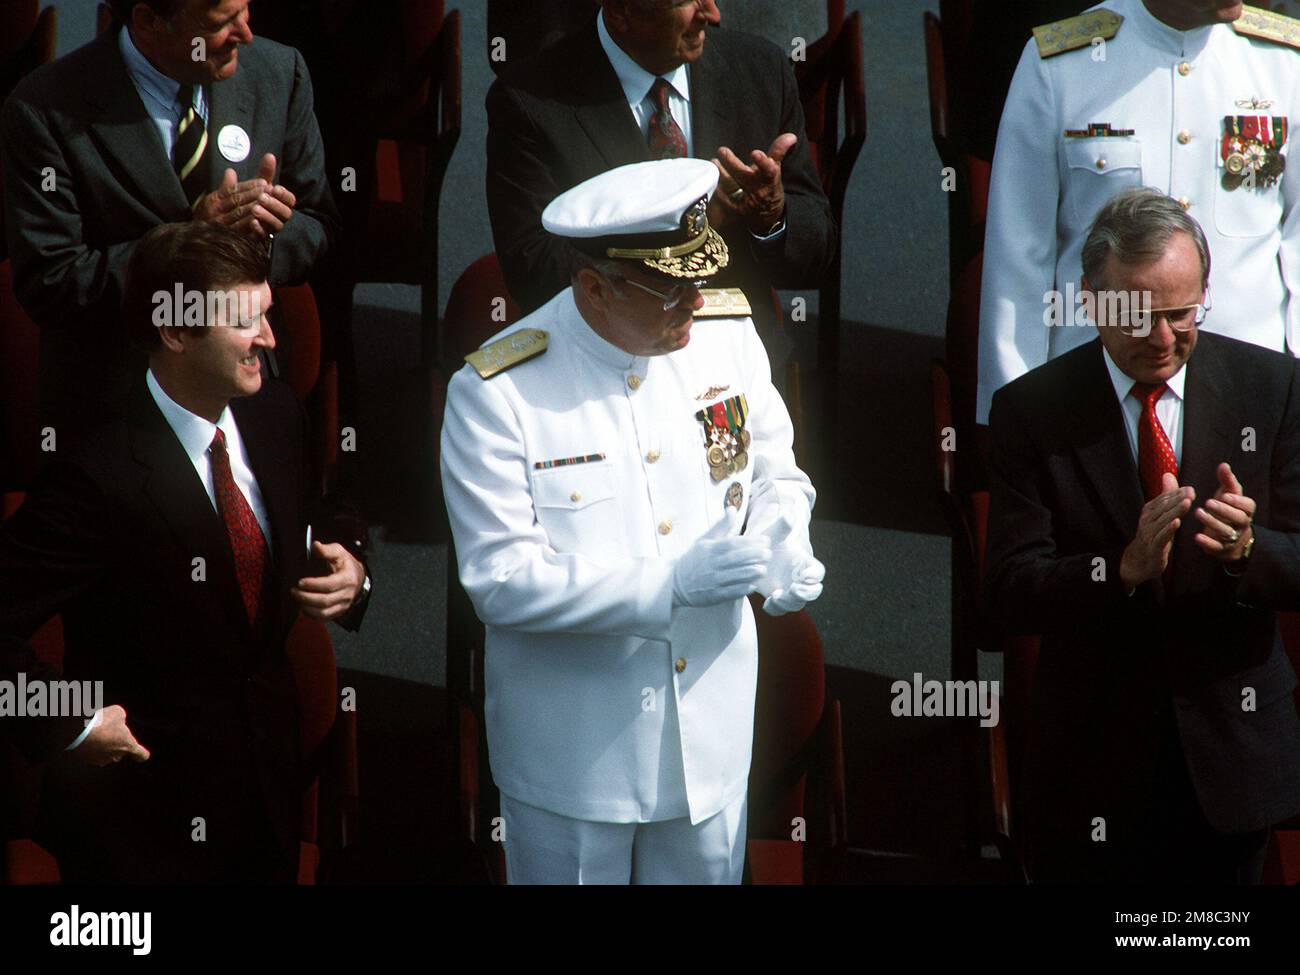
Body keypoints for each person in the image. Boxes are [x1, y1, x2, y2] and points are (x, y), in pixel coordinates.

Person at [441, 158, 823, 884]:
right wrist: (668, 585)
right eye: (668, 293)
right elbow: (501, 580)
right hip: (576, 762)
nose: (692, 307)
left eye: (699, 282)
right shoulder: (499, 393)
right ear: (593, 286)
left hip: (707, 739)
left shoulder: (726, 338)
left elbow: (772, 469)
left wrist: (786, 540)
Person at [0, 221, 371, 884]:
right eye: (246, 322)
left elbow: (310, 516)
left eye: (267, 313)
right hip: (144, 831)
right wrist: (71, 719)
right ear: (174, 331)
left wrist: (352, 566)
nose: (270, 338)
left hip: (265, 808)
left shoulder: (274, 413)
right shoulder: (97, 473)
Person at [984, 187, 1300, 883]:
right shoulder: (1032, 413)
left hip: (1231, 764)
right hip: (1092, 769)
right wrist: (1117, 569)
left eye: (1183, 313)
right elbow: (1005, 594)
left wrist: (1249, 551)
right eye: (1139, 315)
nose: (1163, 338)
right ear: (1092, 302)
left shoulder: (1273, 389)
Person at [0, 0, 339, 429]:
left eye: (245, 10)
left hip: (246, 392)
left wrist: (258, 242)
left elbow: (318, 222)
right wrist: (190, 245)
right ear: (148, 20)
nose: (246, 34)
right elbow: (51, 283)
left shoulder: (277, 72)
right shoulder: (45, 109)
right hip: (118, 407)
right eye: (221, 23)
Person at [977, 0, 1300, 424]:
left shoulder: (1285, 63)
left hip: (1247, 401)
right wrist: (1012, 418)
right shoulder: (1062, 64)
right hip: (1091, 402)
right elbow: (1018, 253)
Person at [485, 0, 835, 354]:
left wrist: (772, 218)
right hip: (604, 357)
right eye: (685, 1)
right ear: (622, 12)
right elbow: (533, 269)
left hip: (735, 354)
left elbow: (814, 261)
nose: (712, 13)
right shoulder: (530, 101)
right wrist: (682, 227)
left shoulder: (762, 71)